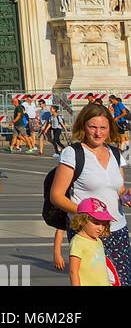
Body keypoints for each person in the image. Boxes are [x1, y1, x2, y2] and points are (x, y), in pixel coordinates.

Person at [49, 101, 131, 285]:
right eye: (92, 127)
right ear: (83, 127)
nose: (98, 132)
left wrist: (126, 196)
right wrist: (89, 215)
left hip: (117, 231)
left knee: (121, 281)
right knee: (92, 281)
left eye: (103, 127)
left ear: (110, 128)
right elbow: (56, 195)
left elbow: (119, 190)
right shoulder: (73, 153)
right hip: (87, 233)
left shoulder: (116, 154)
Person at [69, 198, 115, 287]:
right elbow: (73, 271)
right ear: (82, 220)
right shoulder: (78, 242)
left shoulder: (98, 241)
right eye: (96, 223)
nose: (100, 228)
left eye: (103, 224)